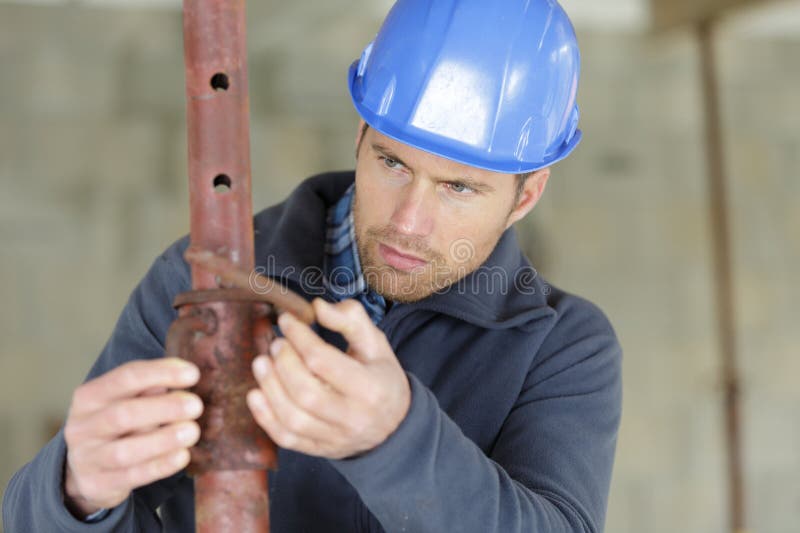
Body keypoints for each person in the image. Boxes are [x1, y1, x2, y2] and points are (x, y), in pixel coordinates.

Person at [3, 0, 622, 531]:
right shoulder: (205, 277)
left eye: (459, 189)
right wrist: (75, 492)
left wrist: (394, 440)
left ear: (528, 194)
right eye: (392, 163)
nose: (408, 221)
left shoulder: (562, 346)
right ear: (361, 133)